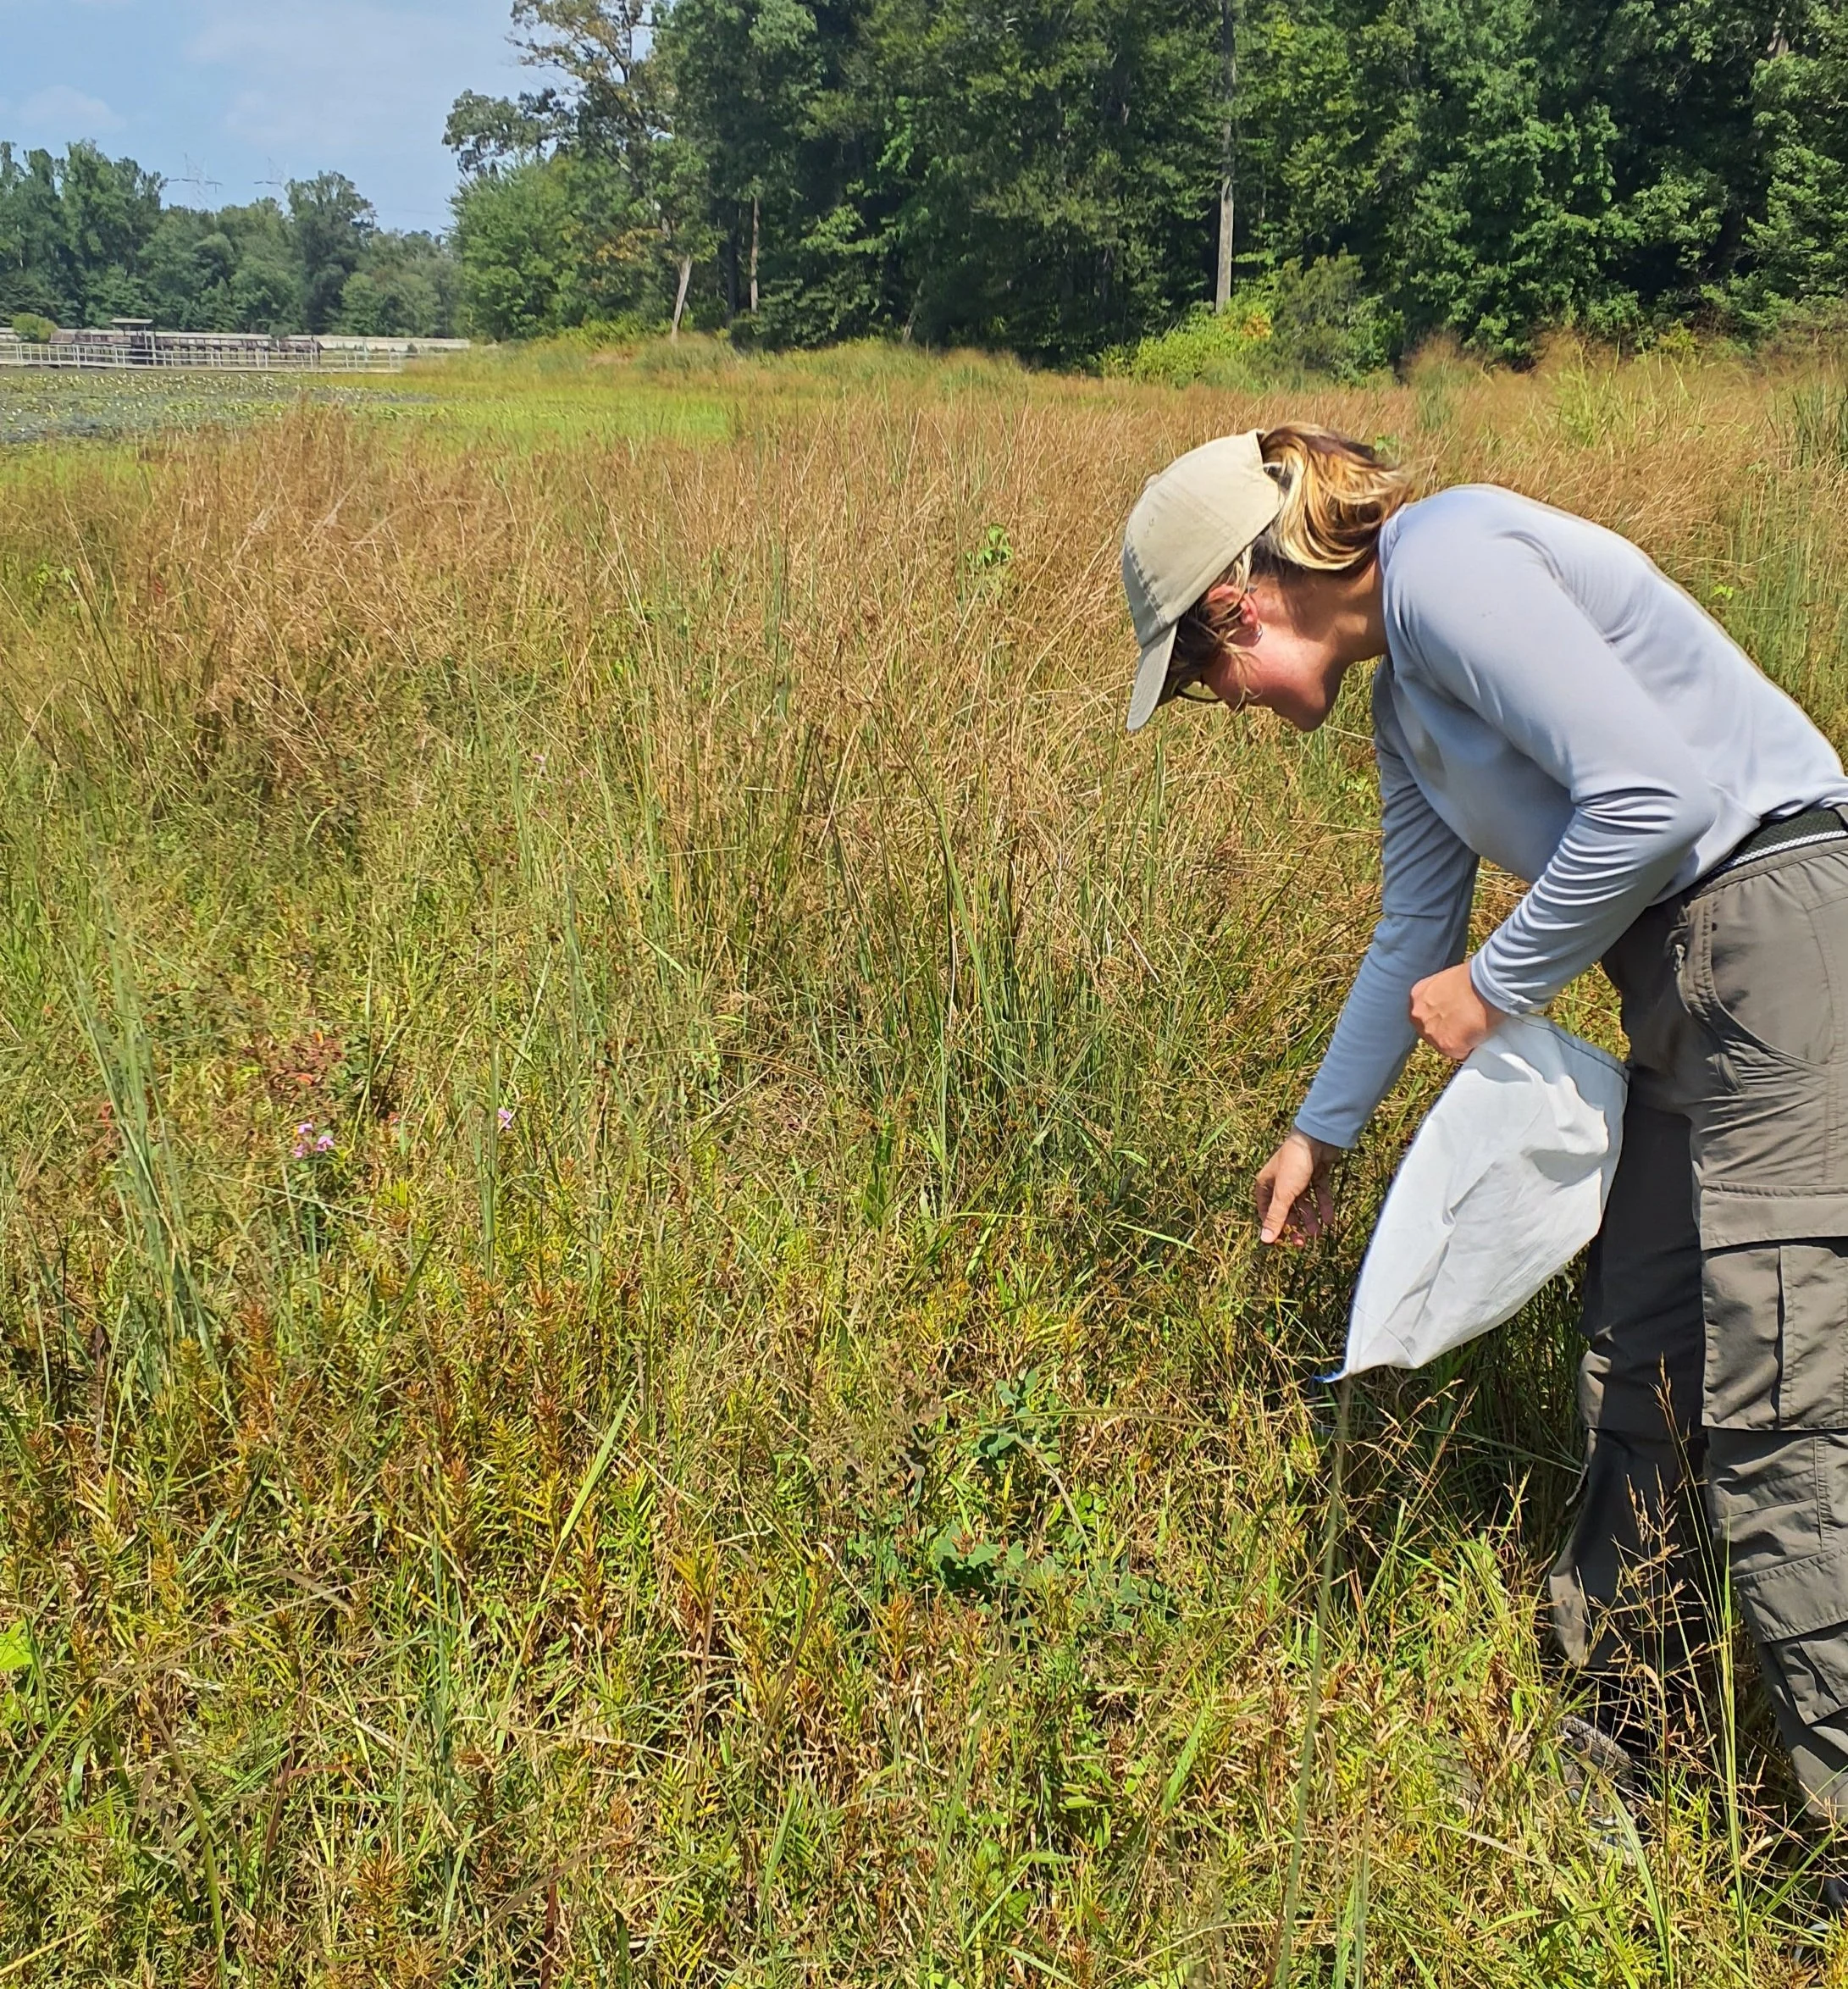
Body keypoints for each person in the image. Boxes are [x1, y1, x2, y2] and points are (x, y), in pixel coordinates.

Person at [1120, 425, 1848, 1829]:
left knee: (1778, 1401)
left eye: (1203, 673)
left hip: (1777, 938)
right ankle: (1620, 1747)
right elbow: (1411, 932)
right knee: (1640, 1359)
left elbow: (1659, 798)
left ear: (1240, 600)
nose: (1221, 703)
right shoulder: (1407, 709)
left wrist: (1503, 983)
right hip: (1688, 976)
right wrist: (1320, 1131)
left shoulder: (1448, 561)